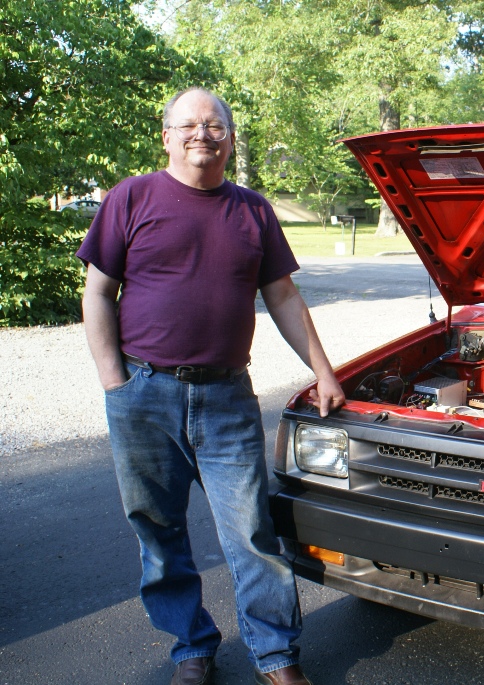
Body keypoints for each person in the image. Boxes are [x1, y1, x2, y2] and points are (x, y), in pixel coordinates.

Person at [78, 87, 344, 685]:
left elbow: (283, 297)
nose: (203, 133)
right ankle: (190, 646)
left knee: (252, 531)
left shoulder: (252, 211)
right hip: (144, 393)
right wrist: (115, 383)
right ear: (167, 136)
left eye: (215, 125)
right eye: (189, 124)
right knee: (159, 531)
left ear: (230, 137)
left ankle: (276, 657)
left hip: (227, 397)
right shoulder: (131, 197)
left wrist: (323, 371)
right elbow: (97, 293)